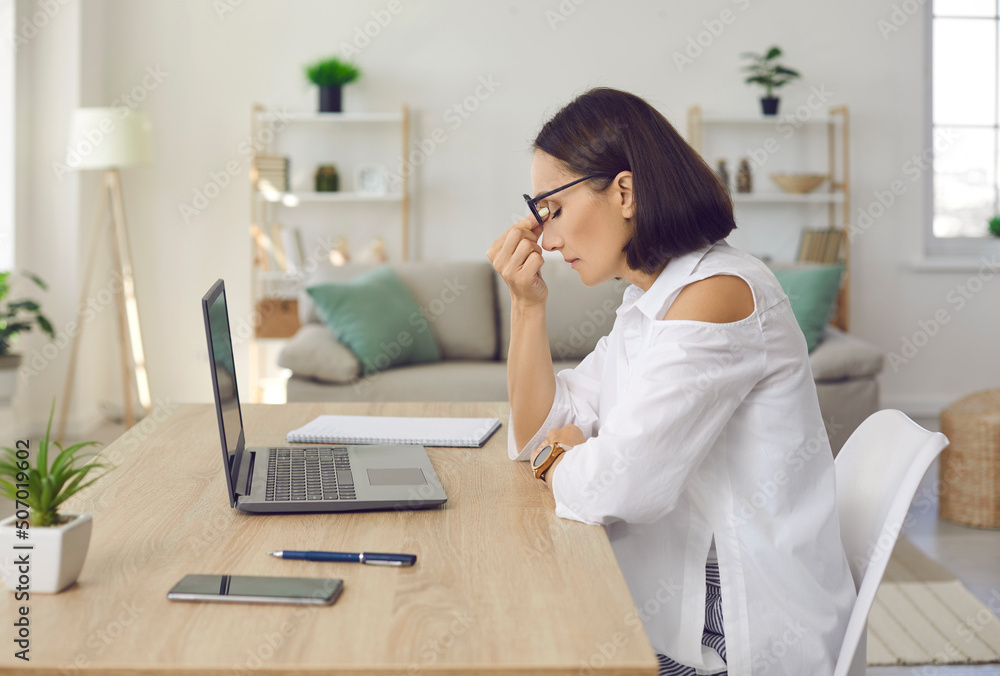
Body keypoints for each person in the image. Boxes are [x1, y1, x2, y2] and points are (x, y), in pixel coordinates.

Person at [487, 88, 856, 676]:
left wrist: (569, 458)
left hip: (733, 634)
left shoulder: (719, 294)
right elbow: (541, 436)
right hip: (687, 603)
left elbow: (622, 487)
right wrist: (528, 308)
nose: (547, 240)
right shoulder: (652, 301)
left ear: (625, 192)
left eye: (552, 210)